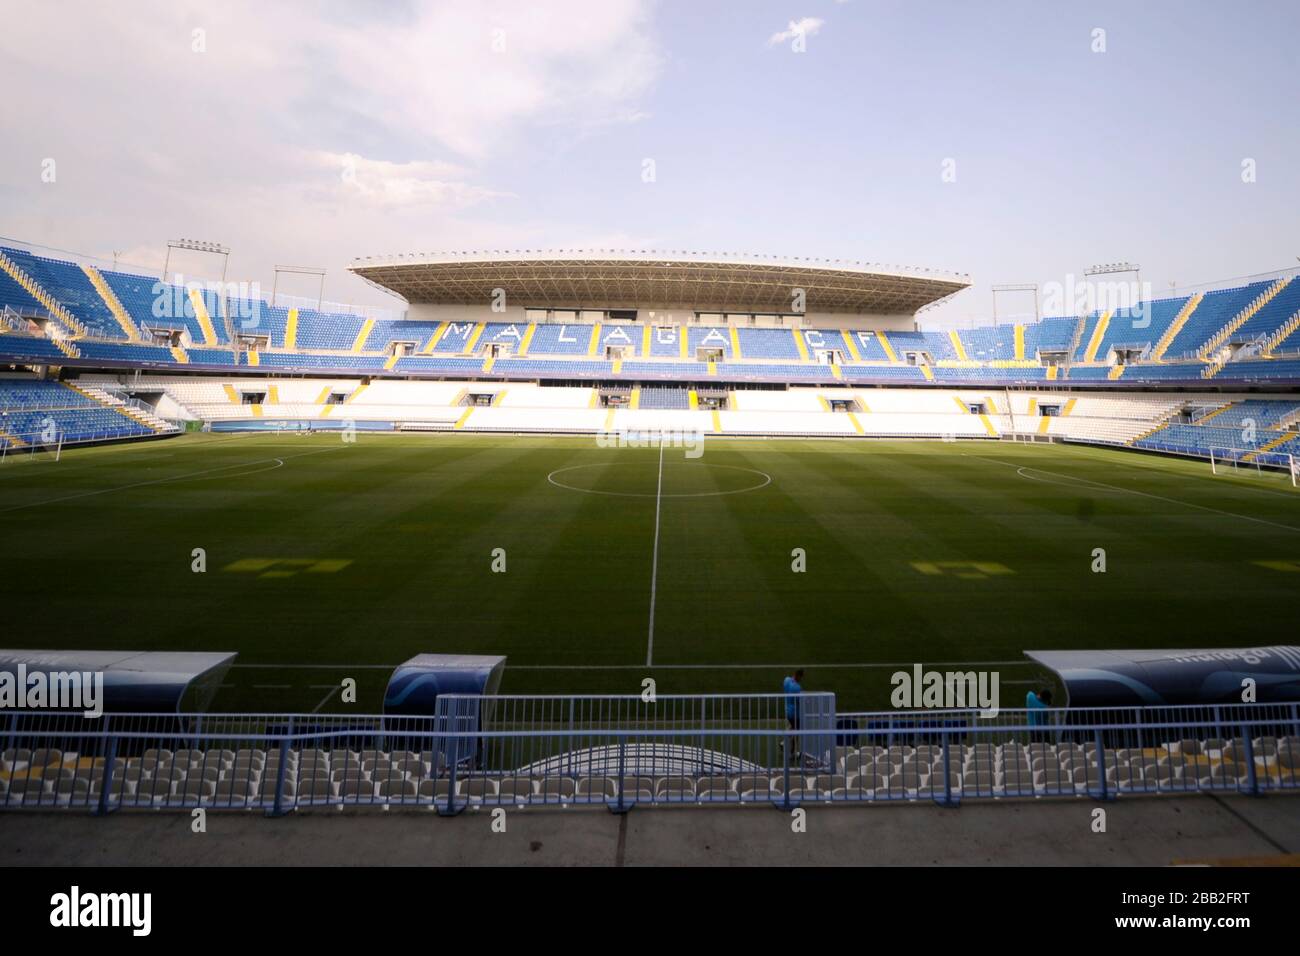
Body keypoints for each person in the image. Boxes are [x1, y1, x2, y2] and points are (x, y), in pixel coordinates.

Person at [781, 669, 804, 758]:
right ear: (798, 676)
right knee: (796, 731)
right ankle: (792, 752)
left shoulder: (786, 680)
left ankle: (784, 743)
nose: (801, 679)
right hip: (795, 713)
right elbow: (799, 701)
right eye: (801, 677)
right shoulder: (797, 687)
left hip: (787, 710)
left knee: (793, 728)